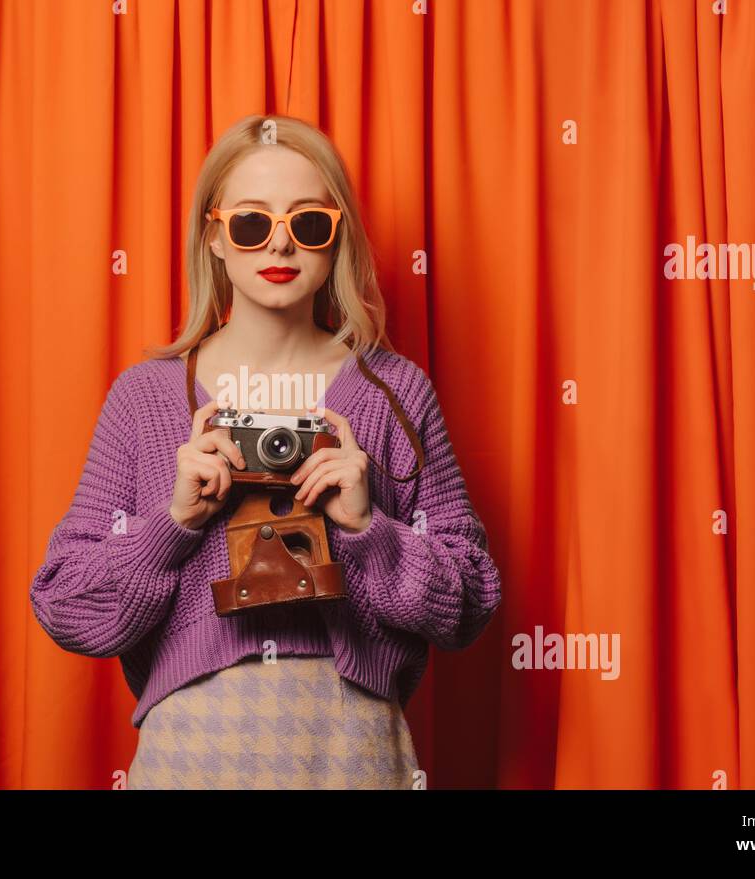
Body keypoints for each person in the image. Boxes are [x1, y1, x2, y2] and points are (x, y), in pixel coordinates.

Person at [29, 114, 503, 789]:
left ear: (336, 238)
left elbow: (470, 602)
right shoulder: (145, 399)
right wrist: (174, 524)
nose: (279, 244)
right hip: (192, 756)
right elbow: (67, 606)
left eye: (309, 222)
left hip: (353, 755)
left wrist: (371, 532)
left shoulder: (396, 392)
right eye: (252, 223)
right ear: (214, 237)